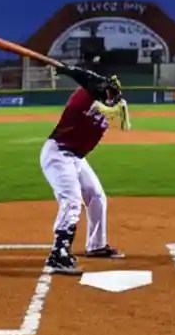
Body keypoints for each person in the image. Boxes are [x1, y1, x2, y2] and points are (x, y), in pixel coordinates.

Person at [41, 65, 131, 275]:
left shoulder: (107, 107)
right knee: (72, 202)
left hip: (76, 158)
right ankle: (58, 254)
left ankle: (96, 245)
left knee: (96, 196)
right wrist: (68, 70)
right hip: (58, 154)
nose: (114, 99)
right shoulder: (84, 96)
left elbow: (112, 109)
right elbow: (88, 79)